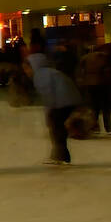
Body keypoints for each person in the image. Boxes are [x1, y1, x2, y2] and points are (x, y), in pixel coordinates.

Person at [27, 30, 81, 166]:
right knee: (57, 128)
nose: (26, 71)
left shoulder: (40, 75)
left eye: (27, 67)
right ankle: (59, 155)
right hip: (68, 98)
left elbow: (48, 95)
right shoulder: (46, 70)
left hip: (63, 101)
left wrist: (49, 112)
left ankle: (61, 156)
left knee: (56, 128)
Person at [77, 43, 111, 134]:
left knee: (94, 107)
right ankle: (108, 127)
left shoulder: (85, 58)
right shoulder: (104, 57)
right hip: (102, 83)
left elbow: (80, 71)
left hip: (90, 84)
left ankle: (94, 126)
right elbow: (108, 71)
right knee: (105, 106)